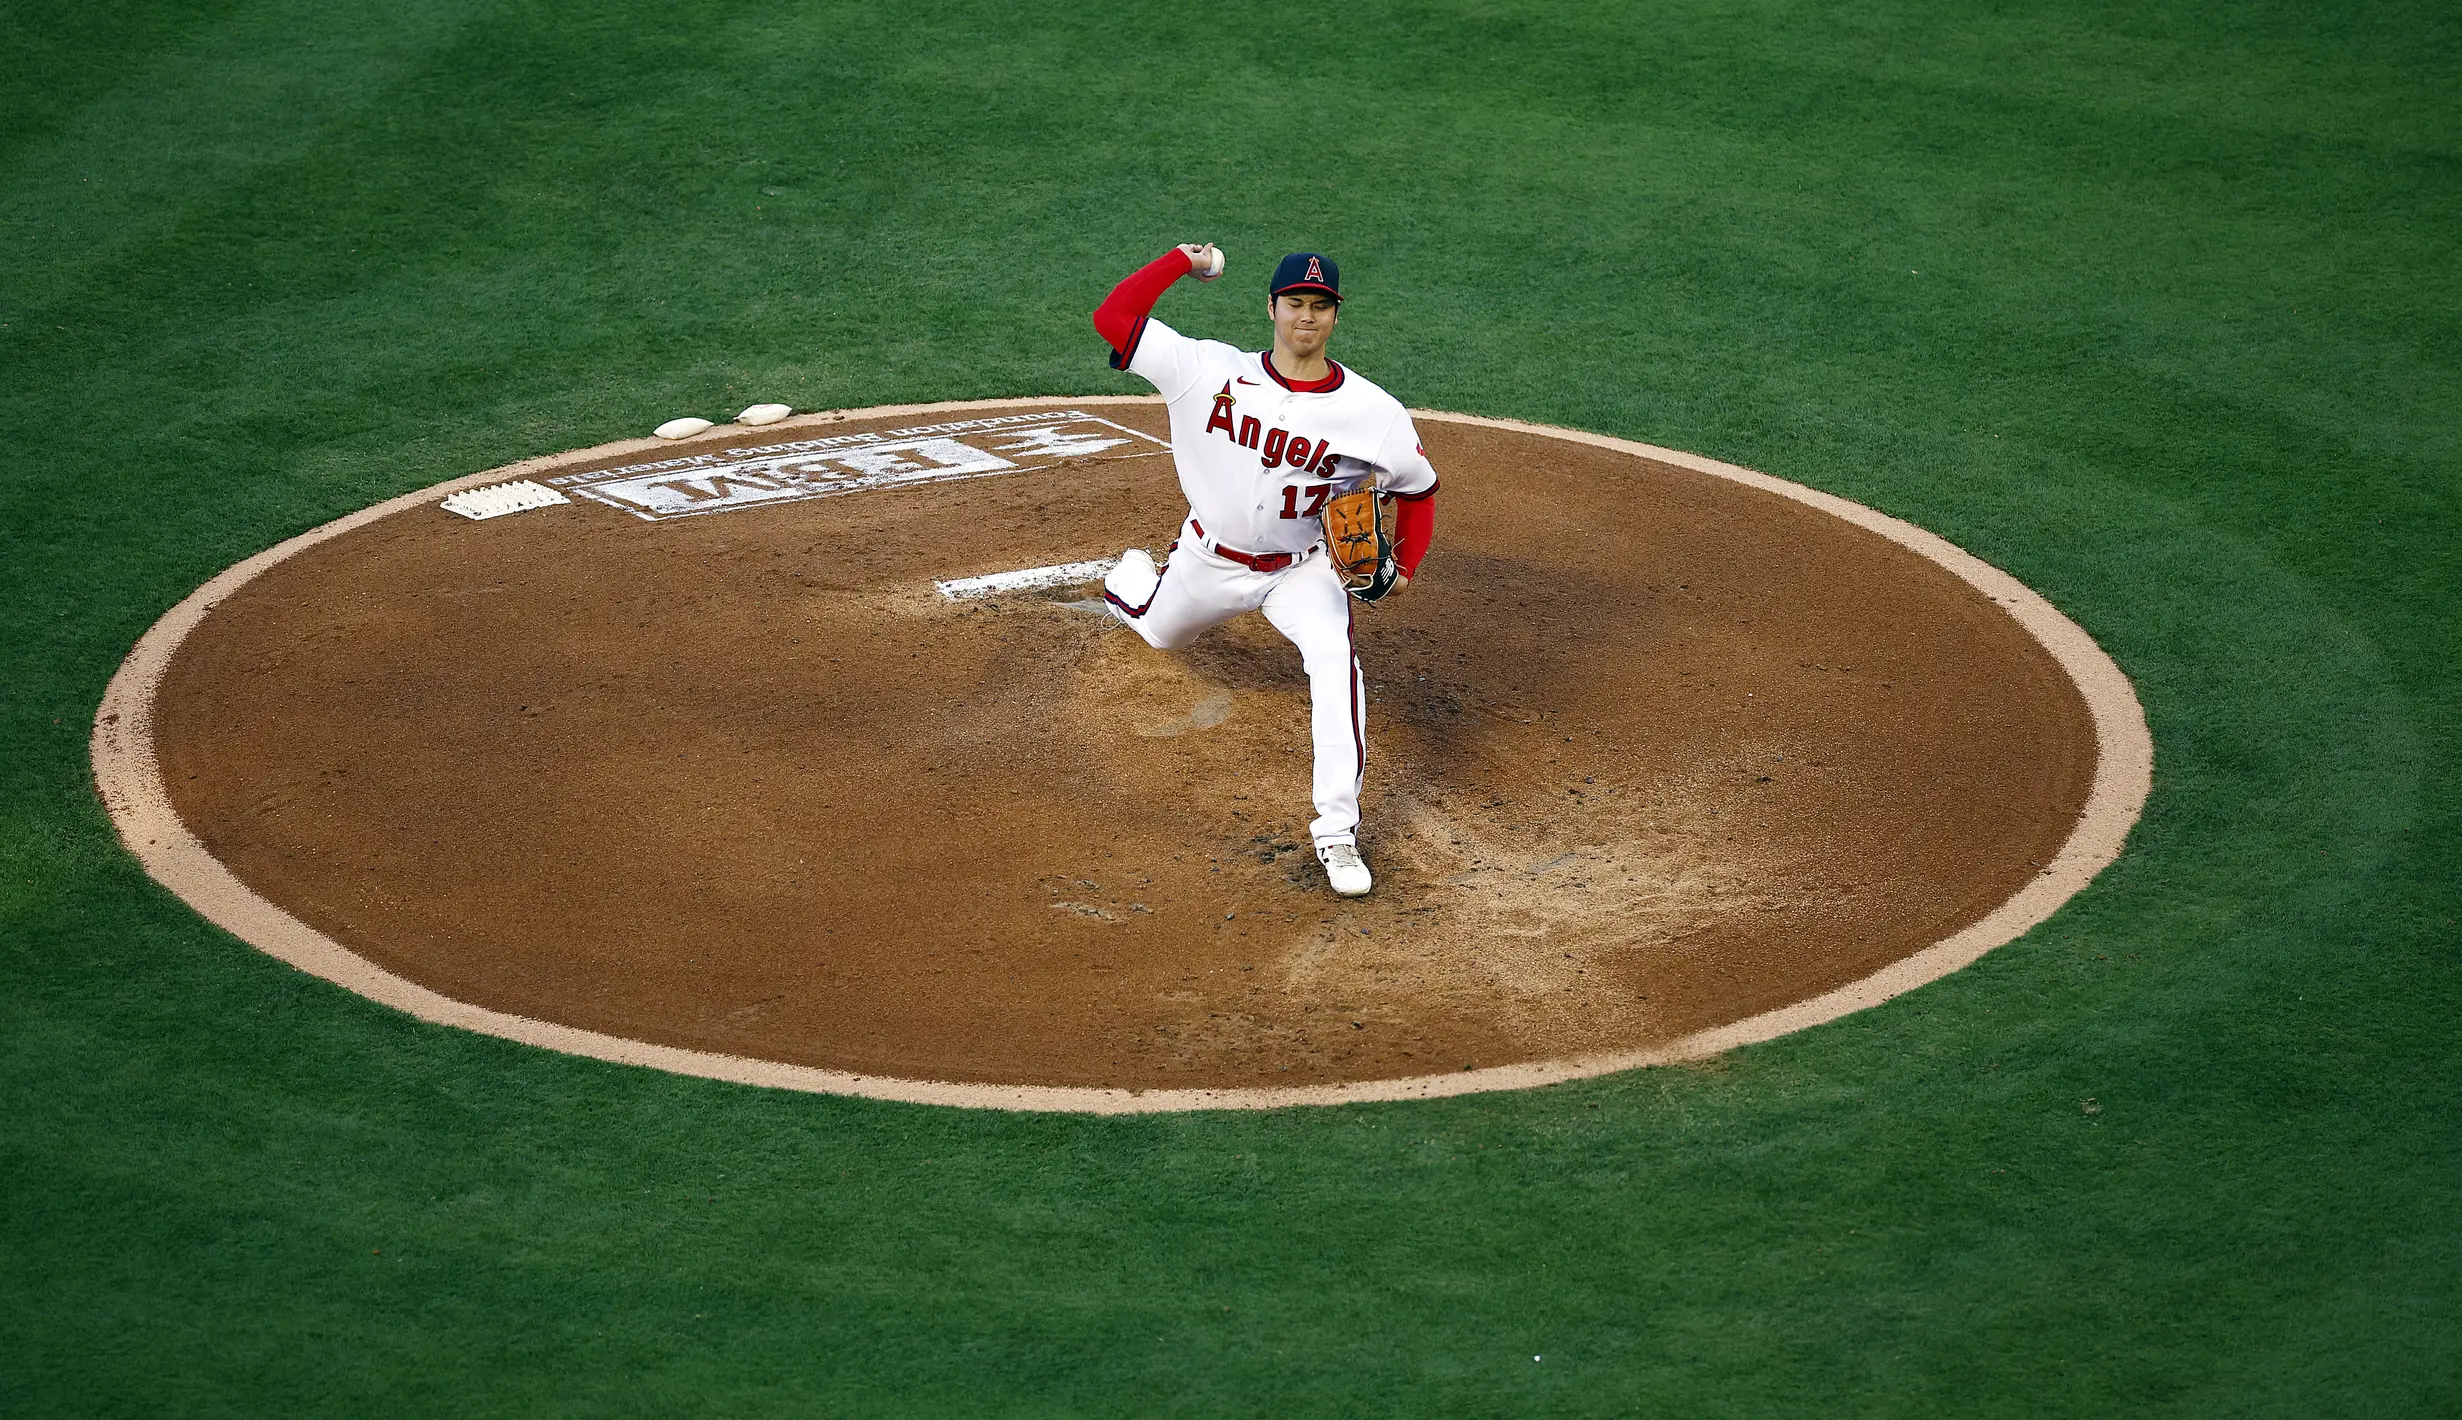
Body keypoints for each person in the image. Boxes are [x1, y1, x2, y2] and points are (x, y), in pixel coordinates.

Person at [1090, 243, 1439, 898]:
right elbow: (1113, 318)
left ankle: (1337, 833)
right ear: (1272, 308)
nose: (1307, 316)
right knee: (1159, 631)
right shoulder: (1205, 369)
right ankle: (1132, 579)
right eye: (1295, 303)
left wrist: (1408, 569)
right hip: (1207, 559)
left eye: (1320, 306)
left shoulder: (1375, 413)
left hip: (1302, 570)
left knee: (1335, 660)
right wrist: (1182, 261)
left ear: (1335, 316)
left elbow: (1418, 491)